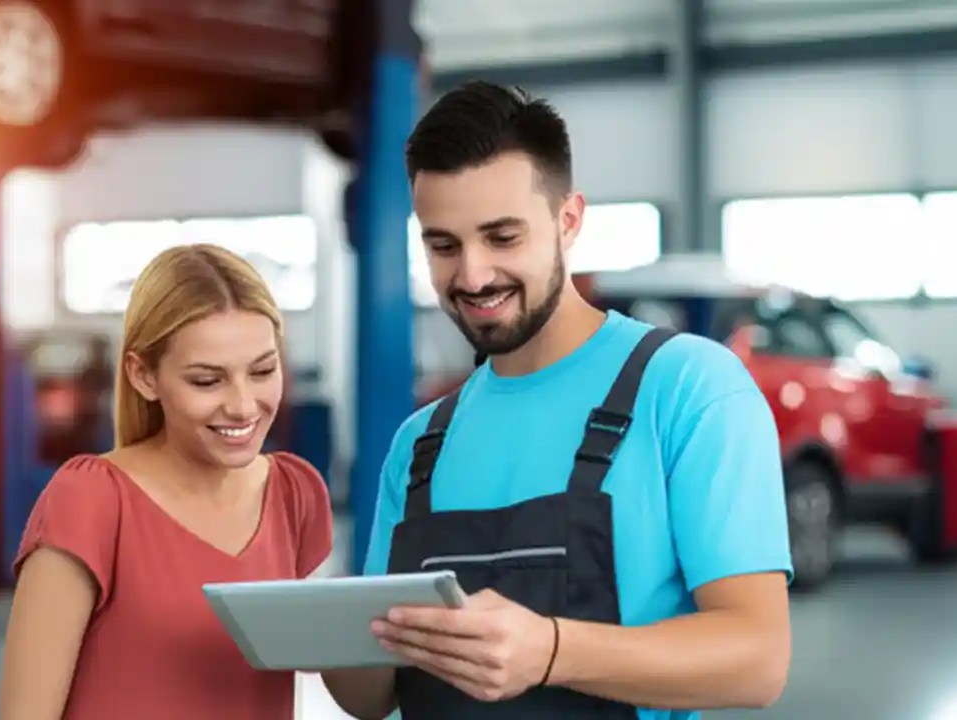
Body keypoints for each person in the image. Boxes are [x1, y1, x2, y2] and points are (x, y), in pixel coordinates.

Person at [323, 81, 793, 719]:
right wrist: (322, 628)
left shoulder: (687, 389)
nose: (473, 275)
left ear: (568, 220)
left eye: (502, 237)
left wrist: (549, 651)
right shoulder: (419, 444)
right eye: (443, 245)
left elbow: (756, 659)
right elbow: (369, 699)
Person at [0, 244, 333, 720]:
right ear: (143, 375)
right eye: (206, 381)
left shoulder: (295, 494)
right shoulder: (91, 500)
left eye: (262, 371)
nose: (243, 405)